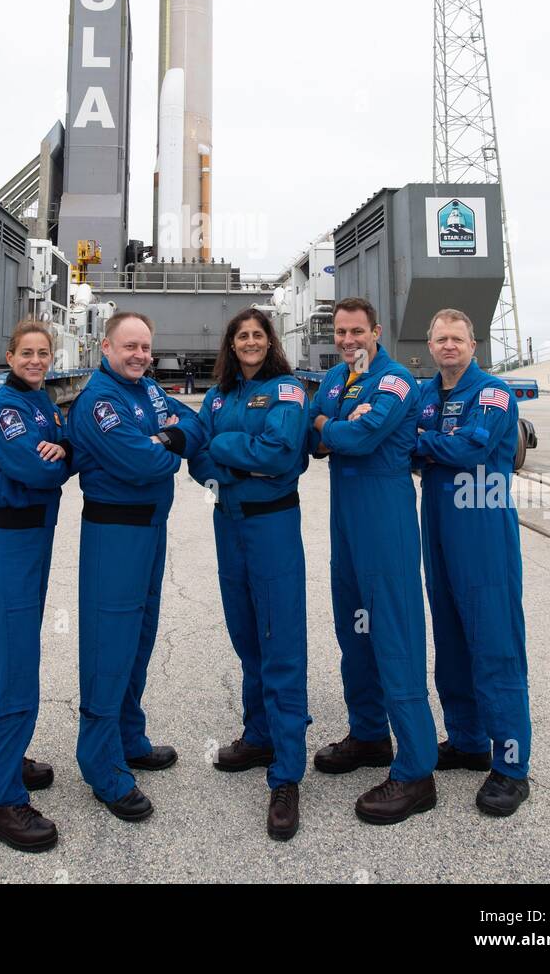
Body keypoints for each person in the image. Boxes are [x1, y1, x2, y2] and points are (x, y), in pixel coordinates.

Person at [67, 312, 204, 822]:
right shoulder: (99, 401)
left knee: (140, 638)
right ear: (106, 347)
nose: (140, 355)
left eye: (146, 347)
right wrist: (166, 448)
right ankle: (100, 764)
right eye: (130, 346)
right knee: (110, 645)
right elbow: (141, 463)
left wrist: (164, 439)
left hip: (150, 529)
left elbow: (194, 424)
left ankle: (128, 737)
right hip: (115, 534)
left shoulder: (146, 391)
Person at [309, 298, 439, 824]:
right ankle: (369, 735)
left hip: (385, 517)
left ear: (376, 332)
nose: (347, 340)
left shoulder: (394, 381)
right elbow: (315, 444)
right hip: (346, 516)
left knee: (394, 635)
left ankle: (416, 770)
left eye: (356, 331)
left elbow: (357, 438)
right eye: (340, 332)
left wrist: (329, 423)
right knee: (354, 631)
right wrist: (329, 423)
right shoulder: (337, 380)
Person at [188, 309, 310, 841]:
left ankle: (286, 774)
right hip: (228, 525)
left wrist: (223, 449)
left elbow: (282, 455)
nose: (251, 342)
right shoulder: (218, 397)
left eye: (259, 335)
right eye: (242, 336)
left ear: (270, 341)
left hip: (272, 526)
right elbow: (198, 460)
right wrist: (233, 461)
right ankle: (259, 734)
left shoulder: (288, 391)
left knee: (280, 642)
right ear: (231, 345)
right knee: (245, 637)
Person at [415, 308, 531, 817]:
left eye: (456, 338)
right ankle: (466, 740)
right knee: (452, 636)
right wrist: (430, 448)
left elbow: (472, 448)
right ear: (430, 344)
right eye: (440, 338)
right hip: (438, 526)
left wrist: (426, 446)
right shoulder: (425, 394)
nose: (448, 346)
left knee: (495, 642)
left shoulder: (493, 394)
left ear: (473, 343)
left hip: (482, 527)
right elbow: (415, 452)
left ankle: (510, 766)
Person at [0, 320, 72, 852]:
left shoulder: (43, 404)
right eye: (26, 353)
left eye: (43, 353)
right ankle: (2, 803)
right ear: (9, 356)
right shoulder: (6, 410)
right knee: (13, 665)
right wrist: (64, 457)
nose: (35, 360)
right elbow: (38, 470)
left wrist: (63, 448)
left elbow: (61, 443)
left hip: (34, 541)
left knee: (11, 655)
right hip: (10, 543)